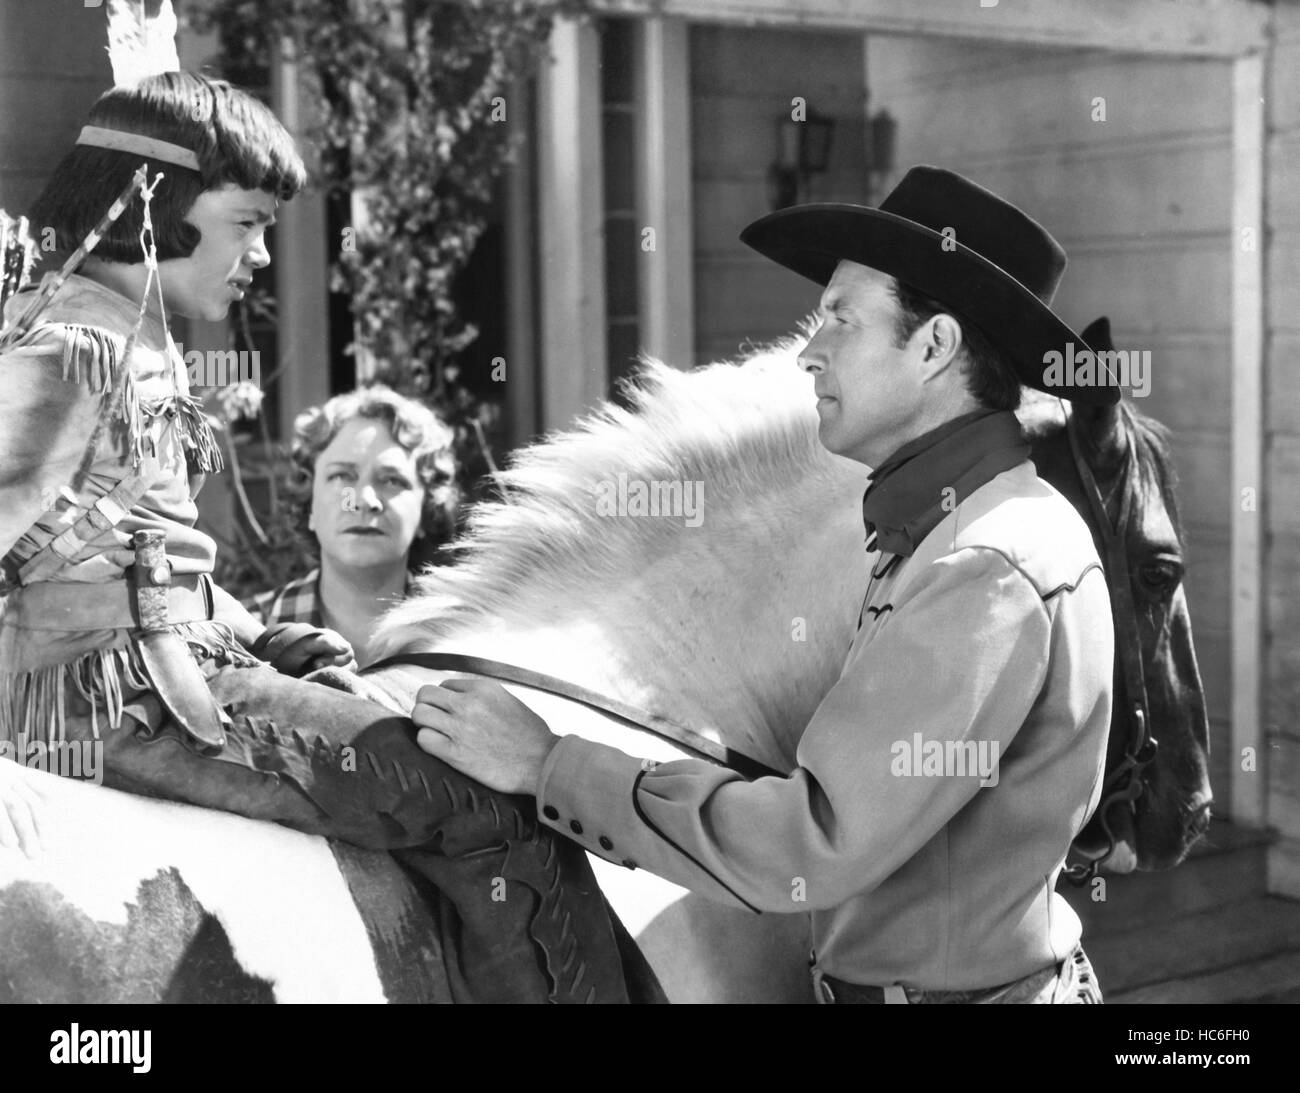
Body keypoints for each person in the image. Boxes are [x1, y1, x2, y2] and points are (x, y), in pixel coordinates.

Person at [413, 166, 1119, 1004]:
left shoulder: (984, 564)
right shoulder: (957, 524)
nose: (809, 352)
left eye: (842, 321)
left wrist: (550, 765)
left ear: (934, 348)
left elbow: (815, 841)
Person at [0, 72, 635, 1003]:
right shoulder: (74, 348)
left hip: (147, 673)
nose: (262, 253)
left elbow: (123, 556)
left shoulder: (112, 334)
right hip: (126, 704)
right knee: (502, 817)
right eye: (247, 221)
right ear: (156, 204)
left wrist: (257, 633)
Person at [245, 386, 458, 667]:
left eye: (392, 480)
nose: (364, 500)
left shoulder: (463, 637)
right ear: (309, 503)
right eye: (343, 476)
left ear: (425, 510)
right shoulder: (247, 636)